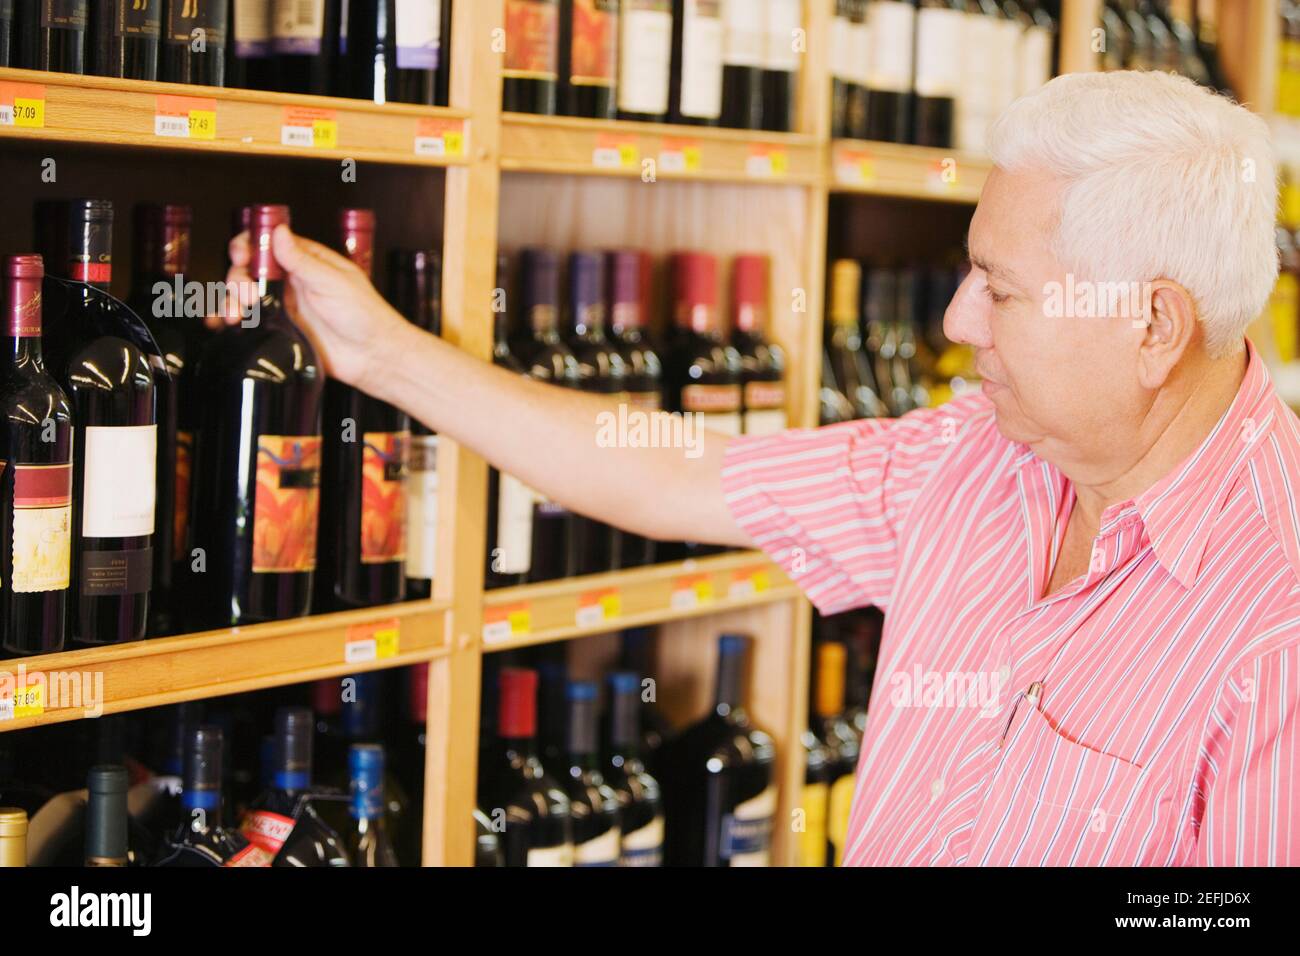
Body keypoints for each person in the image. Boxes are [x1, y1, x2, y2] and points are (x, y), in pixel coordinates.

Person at [223, 71, 1300, 866]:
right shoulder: (974, 456)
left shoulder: (1278, 623)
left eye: (998, 288)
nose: (956, 317)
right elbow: (676, 474)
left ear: (1151, 324)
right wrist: (379, 354)